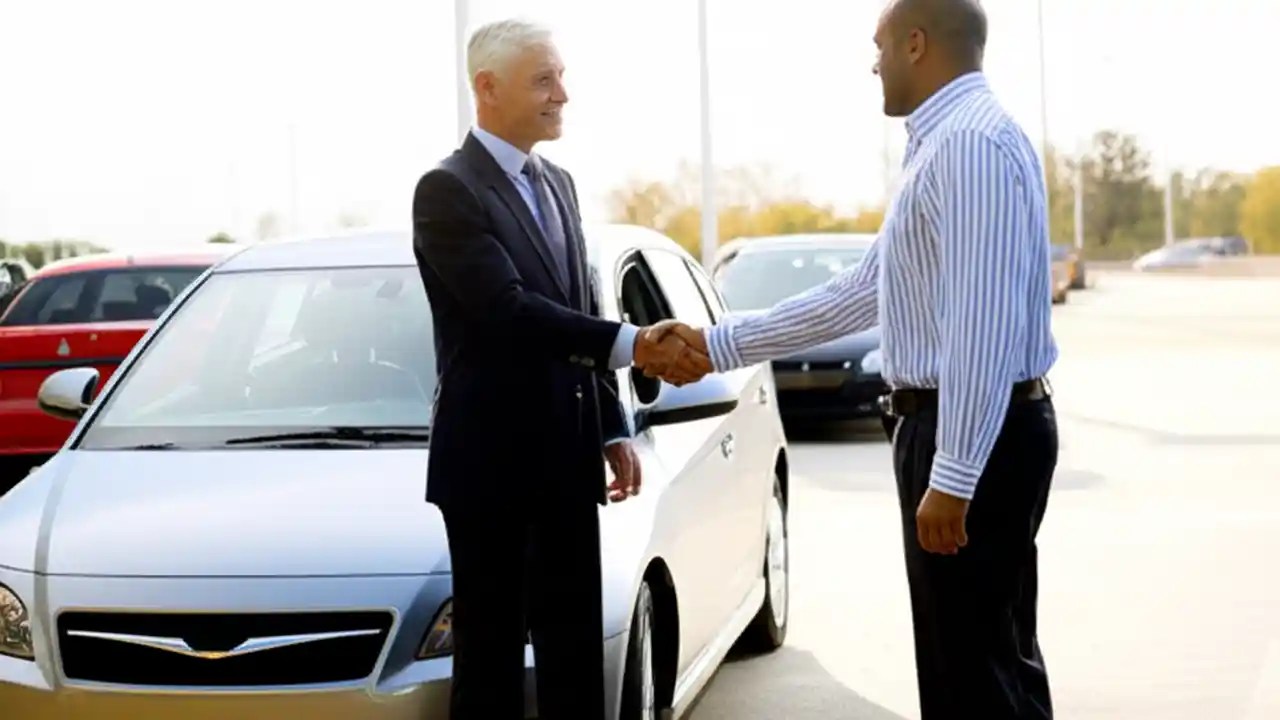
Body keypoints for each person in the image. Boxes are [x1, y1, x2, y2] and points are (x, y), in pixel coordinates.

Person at [648, 0, 1059, 717]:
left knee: (977, 677)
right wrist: (718, 344)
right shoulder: (942, 143)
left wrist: (955, 473)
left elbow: (980, 327)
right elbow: (863, 292)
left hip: (971, 439)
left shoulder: (967, 143)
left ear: (917, 43)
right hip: (956, 432)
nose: (873, 63)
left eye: (880, 46)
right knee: (975, 662)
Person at [411, 18, 703, 720]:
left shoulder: (560, 184)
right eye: (544, 79)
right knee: (491, 661)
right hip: (489, 471)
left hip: (568, 463)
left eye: (561, 77)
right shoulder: (447, 191)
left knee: (574, 653)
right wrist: (637, 344)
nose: (562, 94)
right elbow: (507, 312)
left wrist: (608, 423)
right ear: (487, 87)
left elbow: (579, 305)